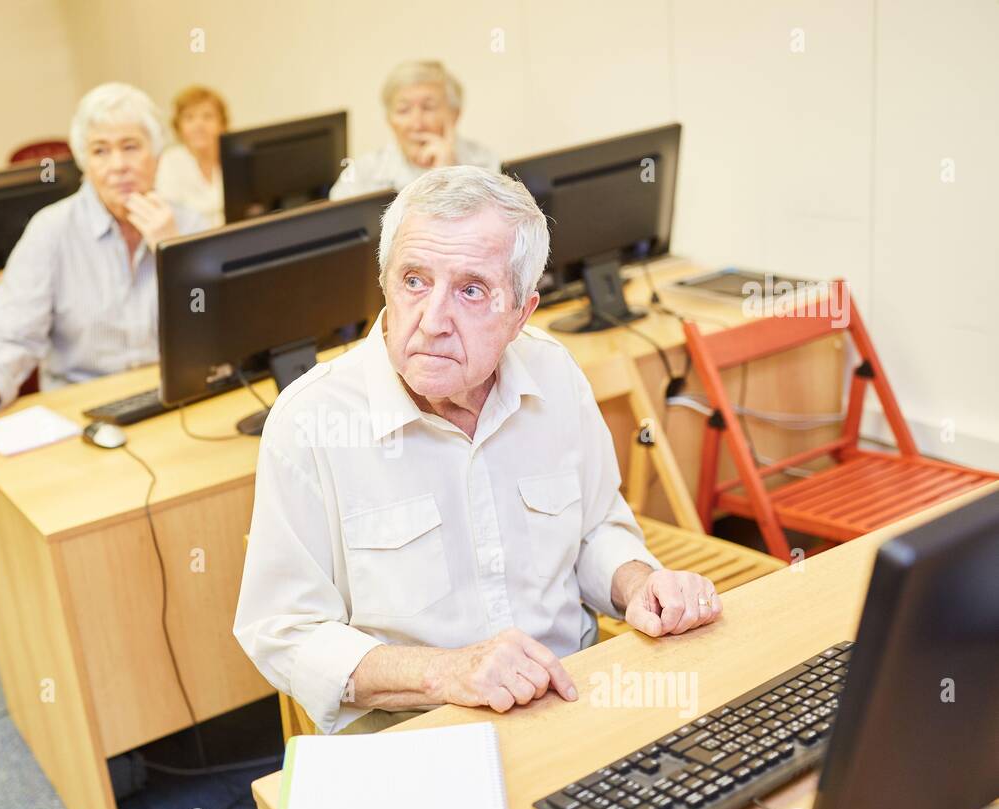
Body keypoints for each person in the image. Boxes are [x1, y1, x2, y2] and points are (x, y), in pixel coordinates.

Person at [234, 166, 723, 735]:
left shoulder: (555, 373)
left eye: (471, 290)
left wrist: (639, 583)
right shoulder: (311, 421)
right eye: (414, 280)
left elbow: (595, 531)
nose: (433, 321)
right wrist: (446, 674)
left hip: (572, 695)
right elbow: (286, 631)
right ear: (386, 281)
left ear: (521, 313)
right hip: (415, 726)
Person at [0, 83, 209, 467]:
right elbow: (10, 335)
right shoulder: (50, 231)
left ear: (156, 155)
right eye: (100, 151)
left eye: (131, 146)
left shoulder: (187, 222)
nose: (118, 165)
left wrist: (175, 254)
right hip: (86, 414)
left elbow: (215, 331)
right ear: (85, 162)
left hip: (172, 402)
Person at [328, 60, 500, 201]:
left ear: (455, 115)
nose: (416, 124)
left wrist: (449, 174)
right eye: (403, 110)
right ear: (389, 120)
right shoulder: (361, 174)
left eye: (428, 107)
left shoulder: (485, 163)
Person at [155, 85, 228, 227]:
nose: (199, 125)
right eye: (189, 118)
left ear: (222, 123)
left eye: (208, 116)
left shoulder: (233, 158)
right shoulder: (170, 161)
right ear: (178, 126)